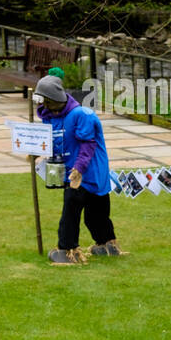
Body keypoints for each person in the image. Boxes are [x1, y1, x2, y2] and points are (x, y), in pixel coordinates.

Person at [35, 74, 122, 265]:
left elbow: (88, 144)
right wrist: (35, 150)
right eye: (43, 102)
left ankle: (68, 250)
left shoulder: (82, 115)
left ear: (57, 98)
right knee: (92, 213)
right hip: (71, 172)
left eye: (49, 101)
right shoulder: (49, 118)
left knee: (78, 211)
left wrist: (79, 169)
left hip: (89, 172)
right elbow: (50, 141)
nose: (46, 106)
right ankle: (105, 244)